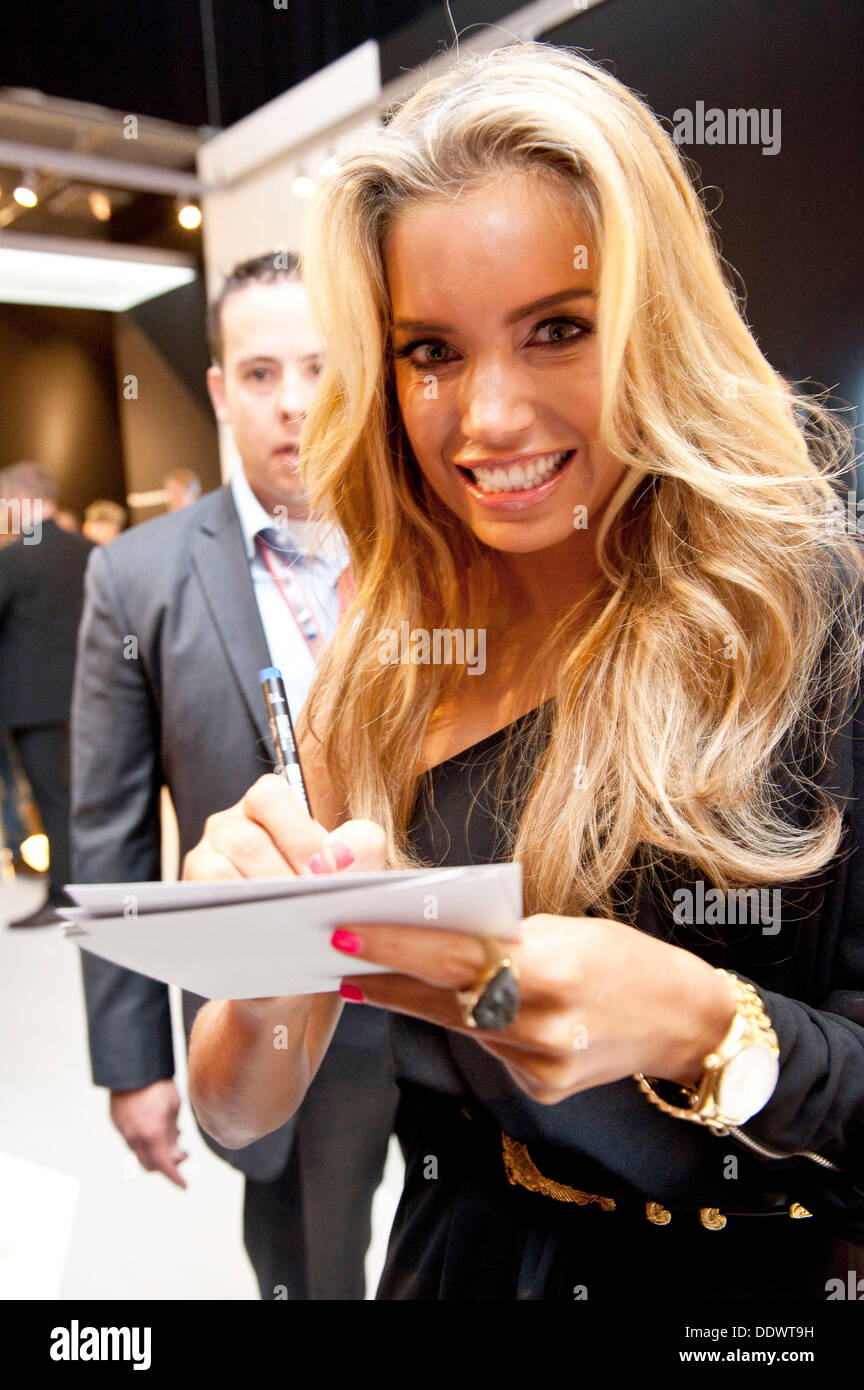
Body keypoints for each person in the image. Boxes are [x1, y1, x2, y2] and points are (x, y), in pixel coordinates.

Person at [183, 43, 864, 1302]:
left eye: (557, 329)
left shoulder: (810, 635)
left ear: (656, 319)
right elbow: (238, 1114)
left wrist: (707, 1026)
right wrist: (266, 961)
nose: (487, 417)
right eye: (431, 352)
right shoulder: (378, 673)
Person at [71, 252, 399, 1301]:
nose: (294, 404)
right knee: (313, 1273)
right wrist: (133, 1062)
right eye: (260, 374)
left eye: (317, 367)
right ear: (219, 390)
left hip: (454, 982)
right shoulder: (138, 577)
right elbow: (110, 832)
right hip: (282, 1012)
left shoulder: (429, 538)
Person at [0, 462, 95, 927]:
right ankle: (95, 885)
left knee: (51, 800)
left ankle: (62, 894)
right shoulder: (91, 552)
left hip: (34, 706)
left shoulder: (15, 559)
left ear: (19, 498)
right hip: (93, 698)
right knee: (88, 796)